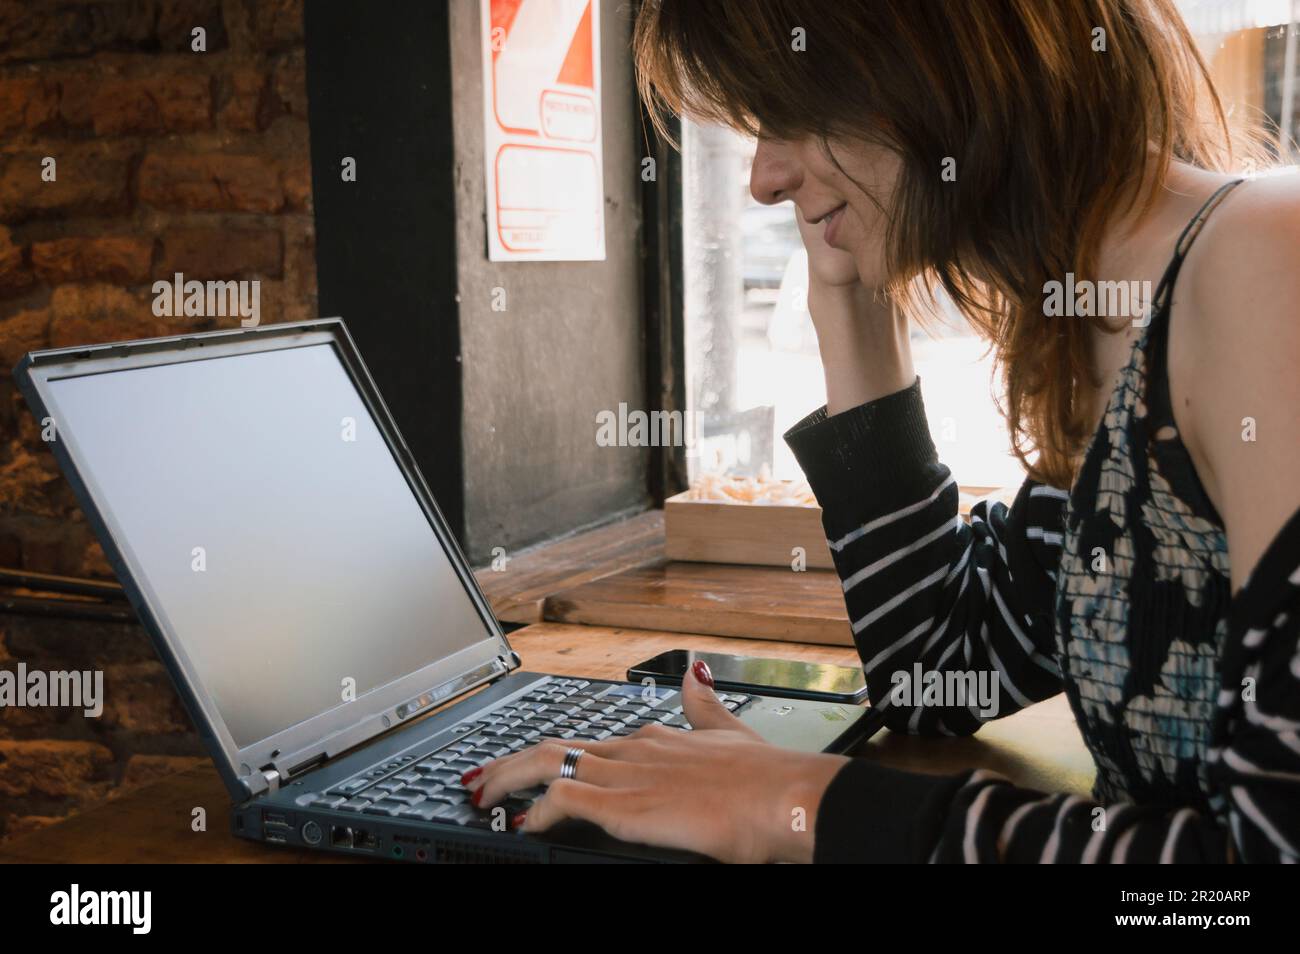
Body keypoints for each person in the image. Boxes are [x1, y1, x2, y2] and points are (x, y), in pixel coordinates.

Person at [466, 0, 1300, 862]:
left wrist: (789, 801)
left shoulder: (1269, 260)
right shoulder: (1105, 332)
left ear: (939, 59)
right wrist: (849, 294)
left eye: (788, 114)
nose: (762, 180)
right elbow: (935, 667)